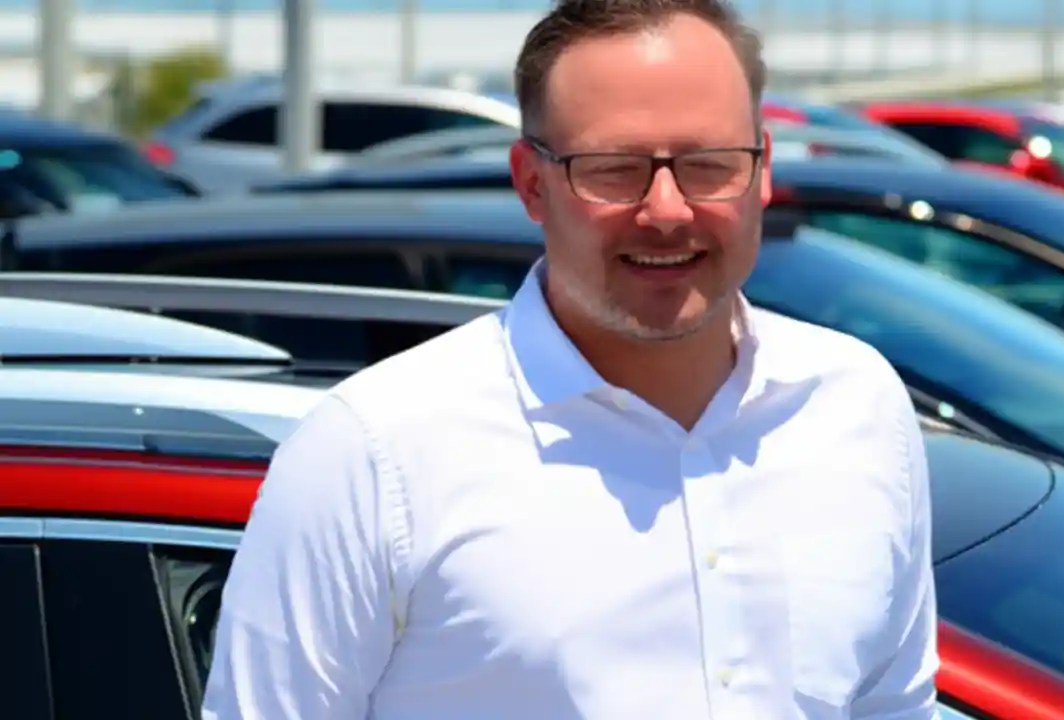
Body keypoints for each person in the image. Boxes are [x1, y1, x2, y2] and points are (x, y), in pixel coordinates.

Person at [200, 1, 938, 718]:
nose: (668, 209)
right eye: (614, 169)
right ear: (530, 183)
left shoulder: (855, 404)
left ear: (764, 168)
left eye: (709, 164)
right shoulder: (373, 454)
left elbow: (891, 704)